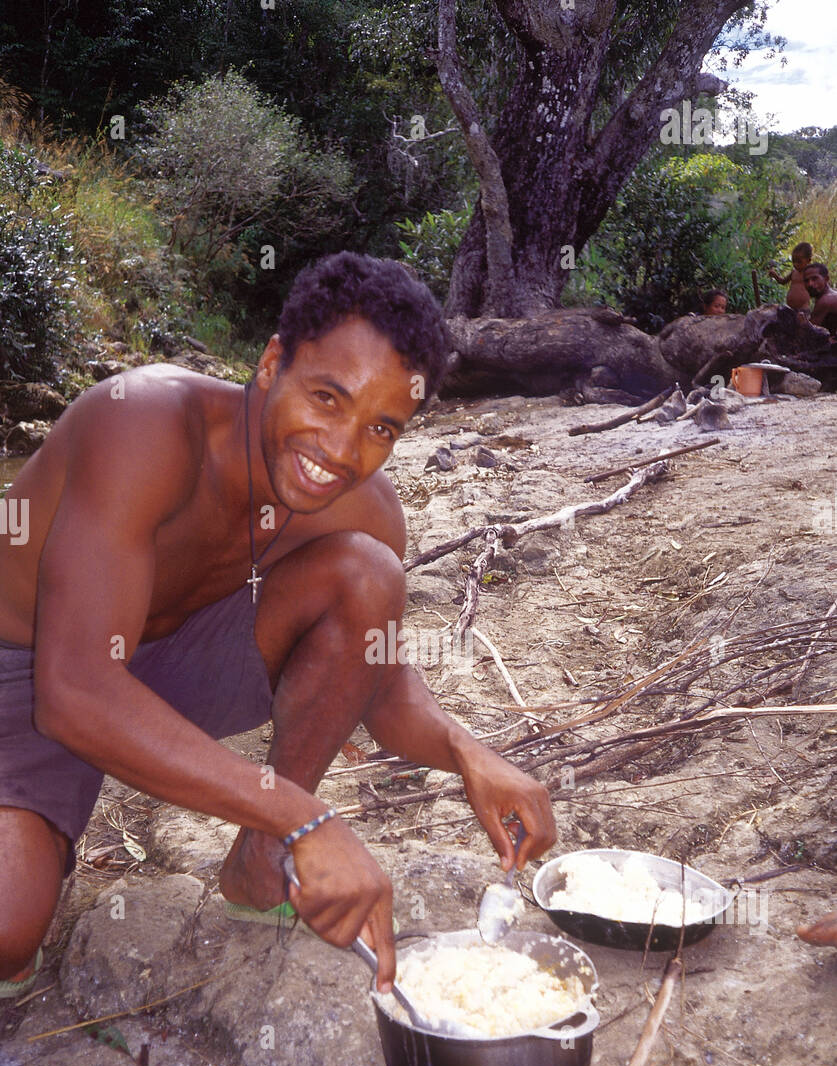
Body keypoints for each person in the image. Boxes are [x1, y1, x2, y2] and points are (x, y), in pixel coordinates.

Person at [0, 252, 555, 996]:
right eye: (327, 397)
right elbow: (73, 690)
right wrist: (305, 816)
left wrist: (468, 753)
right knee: (8, 931)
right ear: (270, 365)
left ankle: (261, 861)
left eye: (381, 427)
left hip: (158, 662)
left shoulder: (366, 509)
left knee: (368, 574)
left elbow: (382, 692)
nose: (341, 449)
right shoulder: (142, 421)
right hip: (35, 670)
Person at [768, 242, 812, 311]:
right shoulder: (794, 272)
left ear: (808, 261)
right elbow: (782, 281)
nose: (795, 264)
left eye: (799, 262)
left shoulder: (810, 274)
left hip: (803, 309)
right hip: (790, 308)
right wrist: (775, 275)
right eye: (793, 261)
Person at [802, 262, 837, 336]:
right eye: (806, 281)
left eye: (814, 278)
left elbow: (808, 333)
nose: (810, 284)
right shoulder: (833, 293)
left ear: (826, 279)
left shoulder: (825, 301)